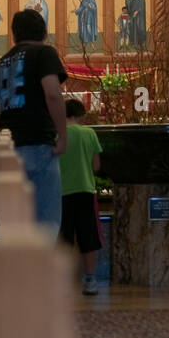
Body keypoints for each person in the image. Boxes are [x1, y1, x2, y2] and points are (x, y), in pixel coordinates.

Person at [0, 7, 67, 230]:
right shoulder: (44, 53)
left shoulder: (0, 63)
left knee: (12, 221)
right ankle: (39, 264)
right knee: (45, 222)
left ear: (13, 35)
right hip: (38, 144)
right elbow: (52, 92)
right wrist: (62, 135)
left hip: (9, 150)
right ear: (44, 33)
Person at [59, 98, 103, 295]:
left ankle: (64, 281)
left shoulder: (57, 135)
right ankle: (90, 279)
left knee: (63, 238)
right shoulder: (89, 133)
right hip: (86, 190)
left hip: (61, 192)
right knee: (89, 237)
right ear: (81, 115)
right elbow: (96, 166)